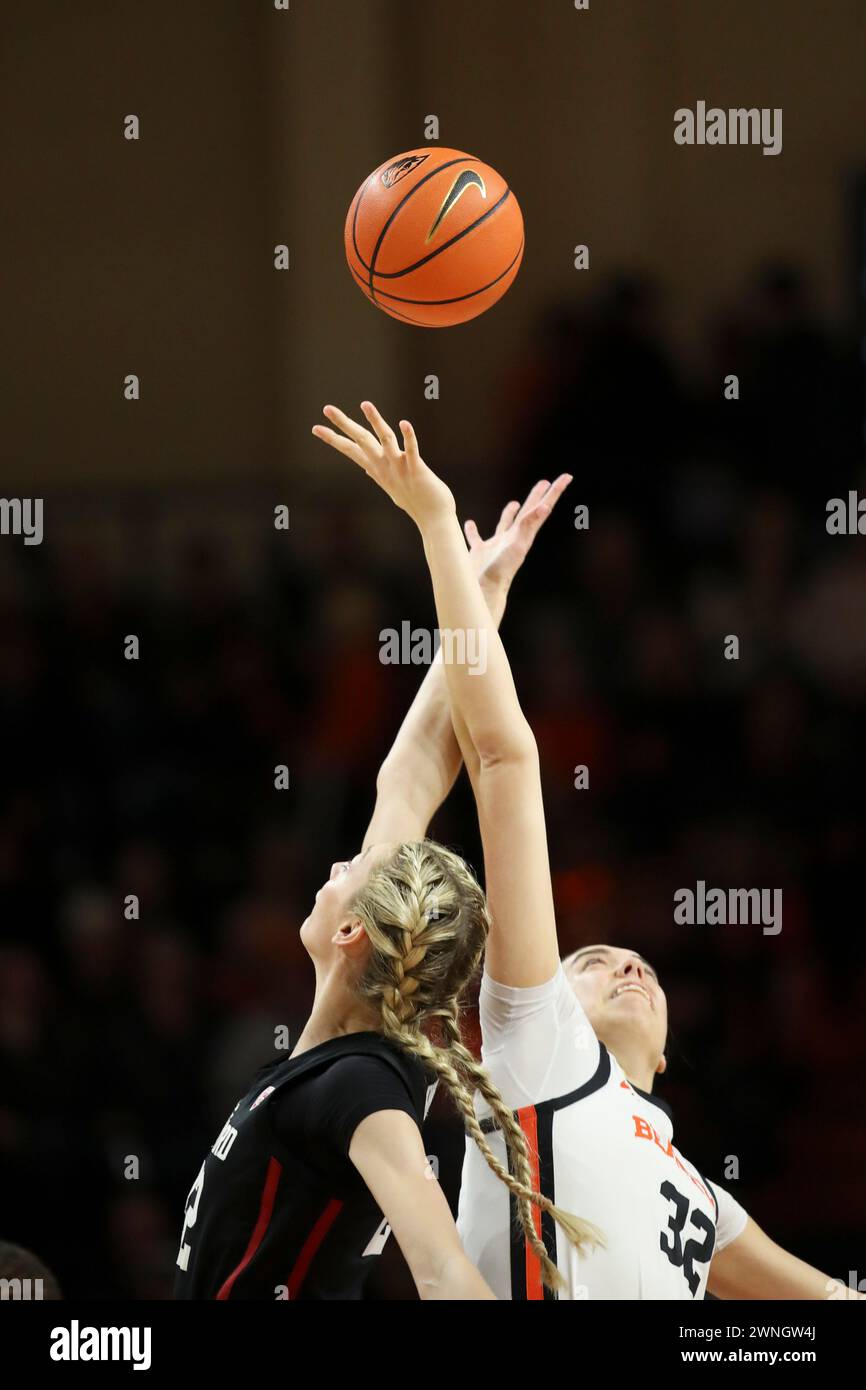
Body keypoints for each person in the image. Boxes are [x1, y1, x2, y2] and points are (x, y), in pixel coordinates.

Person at [315, 401, 865, 1303]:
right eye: (592, 959)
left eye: (628, 959)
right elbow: (496, 757)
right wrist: (440, 547)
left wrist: (478, 598)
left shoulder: (697, 1193)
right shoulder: (543, 1049)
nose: (625, 964)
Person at [173, 414, 581, 1300]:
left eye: (346, 870)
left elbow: (443, 1272)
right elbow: (413, 771)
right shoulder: (358, 1060)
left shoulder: (361, 1085)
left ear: (353, 928)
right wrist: (480, 594)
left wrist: (437, 524)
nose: (332, 867)